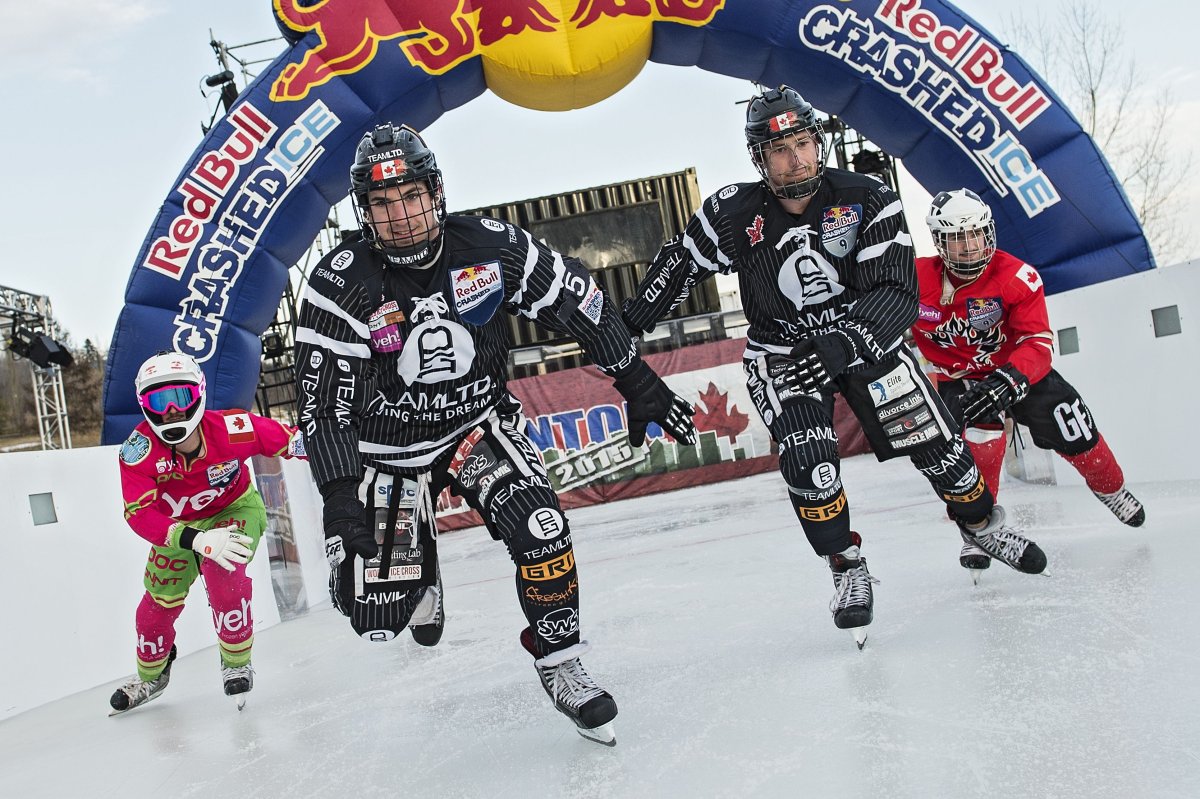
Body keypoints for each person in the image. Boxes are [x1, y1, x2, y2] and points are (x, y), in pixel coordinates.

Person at [293, 122, 695, 745]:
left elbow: (581, 303)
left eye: (412, 196)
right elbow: (323, 410)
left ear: (437, 192)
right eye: (382, 202)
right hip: (386, 453)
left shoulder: (492, 246)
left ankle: (561, 661)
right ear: (363, 211)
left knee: (543, 527)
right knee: (374, 612)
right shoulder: (337, 283)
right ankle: (418, 573)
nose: (401, 215)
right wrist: (342, 504)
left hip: (473, 425)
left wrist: (637, 380)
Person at [621, 85, 1047, 646]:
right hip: (784, 354)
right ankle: (847, 567)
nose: (795, 157)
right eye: (780, 149)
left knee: (941, 449)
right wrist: (621, 344)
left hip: (863, 342)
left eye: (803, 142)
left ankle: (982, 525)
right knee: (809, 462)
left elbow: (896, 292)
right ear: (759, 158)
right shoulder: (731, 211)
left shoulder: (867, 196)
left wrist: (846, 342)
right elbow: (672, 271)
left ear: (818, 143)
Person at [913, 188, 1145, 574]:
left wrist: (1009, 379)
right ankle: (979, 530)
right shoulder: (912, 277)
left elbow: (1038, 342)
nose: (970, 246)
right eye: (957, 237)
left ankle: (1112, 488)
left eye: (977, 233)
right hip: (960, 379)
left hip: (1017, 371)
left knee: (1072, 423)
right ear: (939, 241)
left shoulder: (1018, 276)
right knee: (975, 447)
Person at [111, 351, 307, 714]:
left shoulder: (234, 428)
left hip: (235, 510)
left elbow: (292, 442)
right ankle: (151, 674)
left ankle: (235, 664)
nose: (171, 412)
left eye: (179, 398)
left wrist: (347, 458)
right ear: (145, 406)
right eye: (159, 401)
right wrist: (196, 540)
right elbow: (139, 514)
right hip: (179, 531)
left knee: (223, 573)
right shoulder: (137, 453)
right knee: (154, 611)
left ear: (198, 395)